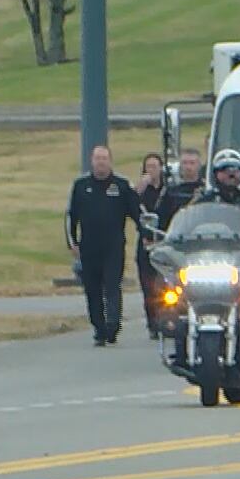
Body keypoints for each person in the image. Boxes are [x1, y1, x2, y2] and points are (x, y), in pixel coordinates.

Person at [66, 144, 135, 346]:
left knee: (112, 285)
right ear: (92, 161)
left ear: (110, 161)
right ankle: (99, 328)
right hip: (89, 247)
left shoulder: (121, 186)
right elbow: (71, 216)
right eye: (97, 159)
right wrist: (72, 242)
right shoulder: (81, 186)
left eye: (104, 159)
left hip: (113, 246)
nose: (101, 163)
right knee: (92, 289)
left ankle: (113, 324)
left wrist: (147, 232)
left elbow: (137, 213)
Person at [133, 153, 166, 339]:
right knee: (148, 286)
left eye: (155, 166)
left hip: (163, 240)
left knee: (163, 285)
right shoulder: (141, 191)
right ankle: (152, 323)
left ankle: (165, 319)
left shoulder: (167, 190)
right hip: (145, 242)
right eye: (148, 167)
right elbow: (130, 205)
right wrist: (140, 187)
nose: (152, 171)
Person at [155, 148, 204, 229]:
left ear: (199, 165)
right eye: (185, 163)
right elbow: (161, 218)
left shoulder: (206, 190)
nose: (188, 167)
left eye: (192, 163)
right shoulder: (171, 192)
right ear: (180, 165)